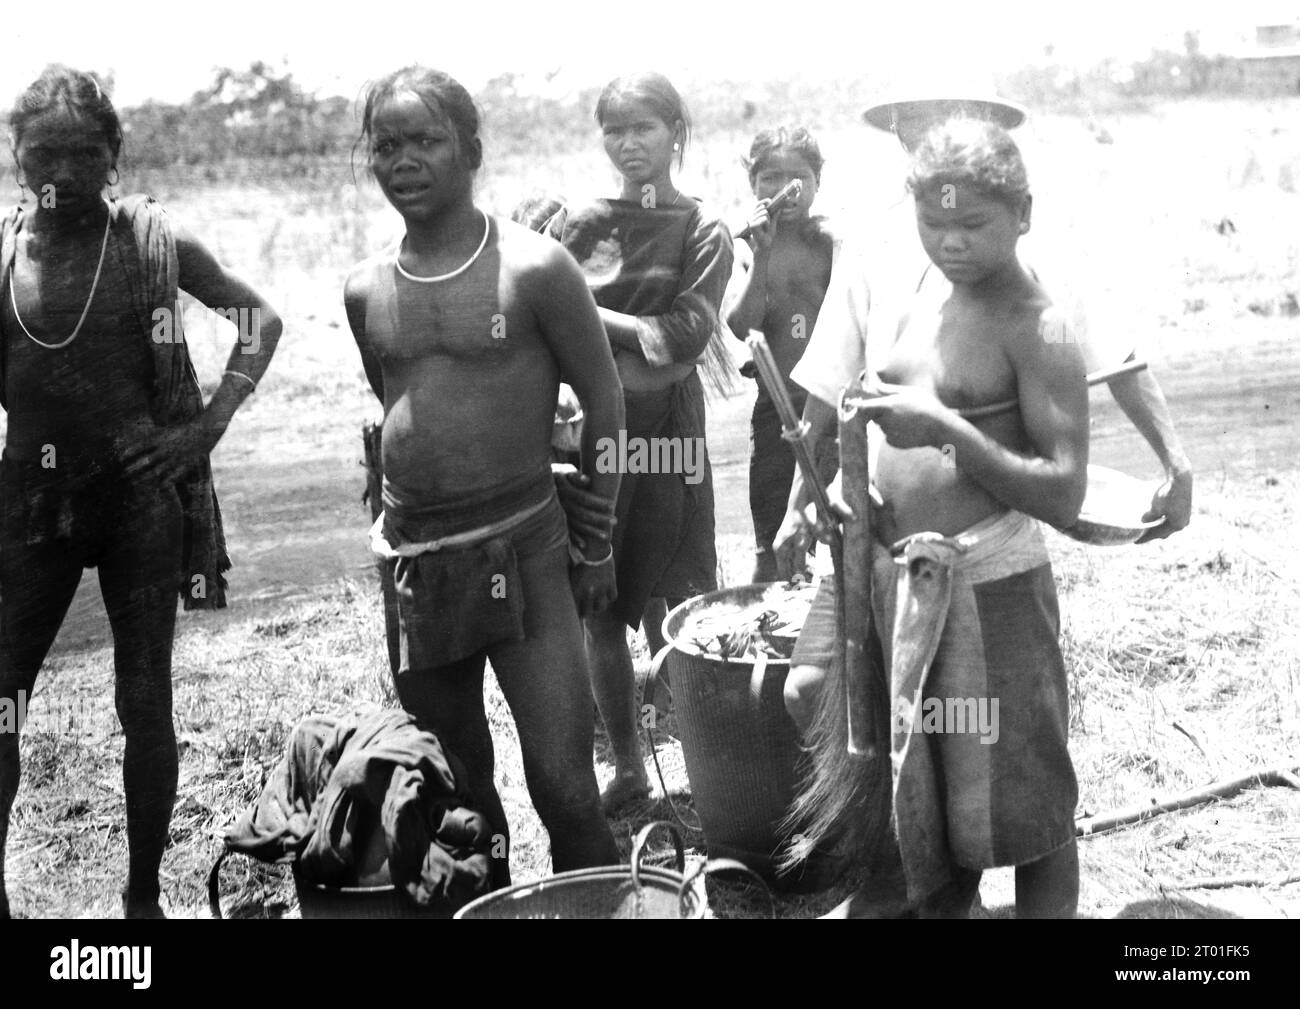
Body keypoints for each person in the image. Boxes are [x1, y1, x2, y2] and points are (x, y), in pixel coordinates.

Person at [778, 89, 1194, 734]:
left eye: (955, 116)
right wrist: (805, 496)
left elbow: (1113, 354)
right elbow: (832, 386)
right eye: (917, 119)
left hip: (976, 544)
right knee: (827, 696)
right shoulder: (876, 244)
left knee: (969, 733)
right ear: (895, 131)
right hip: (873, 532)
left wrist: (1175, 461)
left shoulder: (1029, 256)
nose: (937, 132)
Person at [0, 66, 283, 918]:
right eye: (45, 152)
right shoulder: (4, 258)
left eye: (85, 152)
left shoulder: (149, 242)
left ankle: (142, 894)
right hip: (31, 505)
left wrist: (203, 431)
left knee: (144, 700)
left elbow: (258, 319)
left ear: (115, 154)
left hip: (138, 502)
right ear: (16, 158)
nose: (66, 171)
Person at [788, 118, 1087, 918]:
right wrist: (846, 488)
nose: (949, 242)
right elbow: (864, 401)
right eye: (934, 222)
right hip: (900, 585)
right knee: (927, 795)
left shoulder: (1040, 321)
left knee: (1026, 805)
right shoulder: (920, 290)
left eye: (972, 225)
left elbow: (1063, 489)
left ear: (1024, 212)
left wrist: (947, 429)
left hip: (992, 591)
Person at [343, 66, 623, 884]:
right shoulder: (366, 288)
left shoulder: (535, 270)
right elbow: (395, 401)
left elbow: (604, 401)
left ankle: (592, 904)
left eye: (425, 140)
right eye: (387, 146)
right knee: (459, 793)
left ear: (470, 149)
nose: (404, 160)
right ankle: (490, 903)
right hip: (419, 565)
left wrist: (597, 541)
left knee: (567, 785)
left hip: (526, 549)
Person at [544, 73, 734, 812]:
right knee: (601, 599)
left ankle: (713, 761)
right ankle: (626, 763)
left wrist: (585, 313)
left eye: (644, 127)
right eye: (615, 129)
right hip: (596, 437)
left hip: (669, 436)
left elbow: (680, 340)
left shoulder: (701, 229)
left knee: (687, 593)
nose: (629, 143)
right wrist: (616, 347)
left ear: (675, 132)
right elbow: (544, 326)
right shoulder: (575, 226)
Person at [724, 126, 840, 582]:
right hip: (776, 407)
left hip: (833, 410)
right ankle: (771, 629)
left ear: (818, 182)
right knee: (772, 535)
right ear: (752, 183)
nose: (784, 189)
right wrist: (764, 254)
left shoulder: (830, 242)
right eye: (770, 177)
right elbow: (741, 326)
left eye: (799, 178)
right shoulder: (752, 246)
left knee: (837, 523)